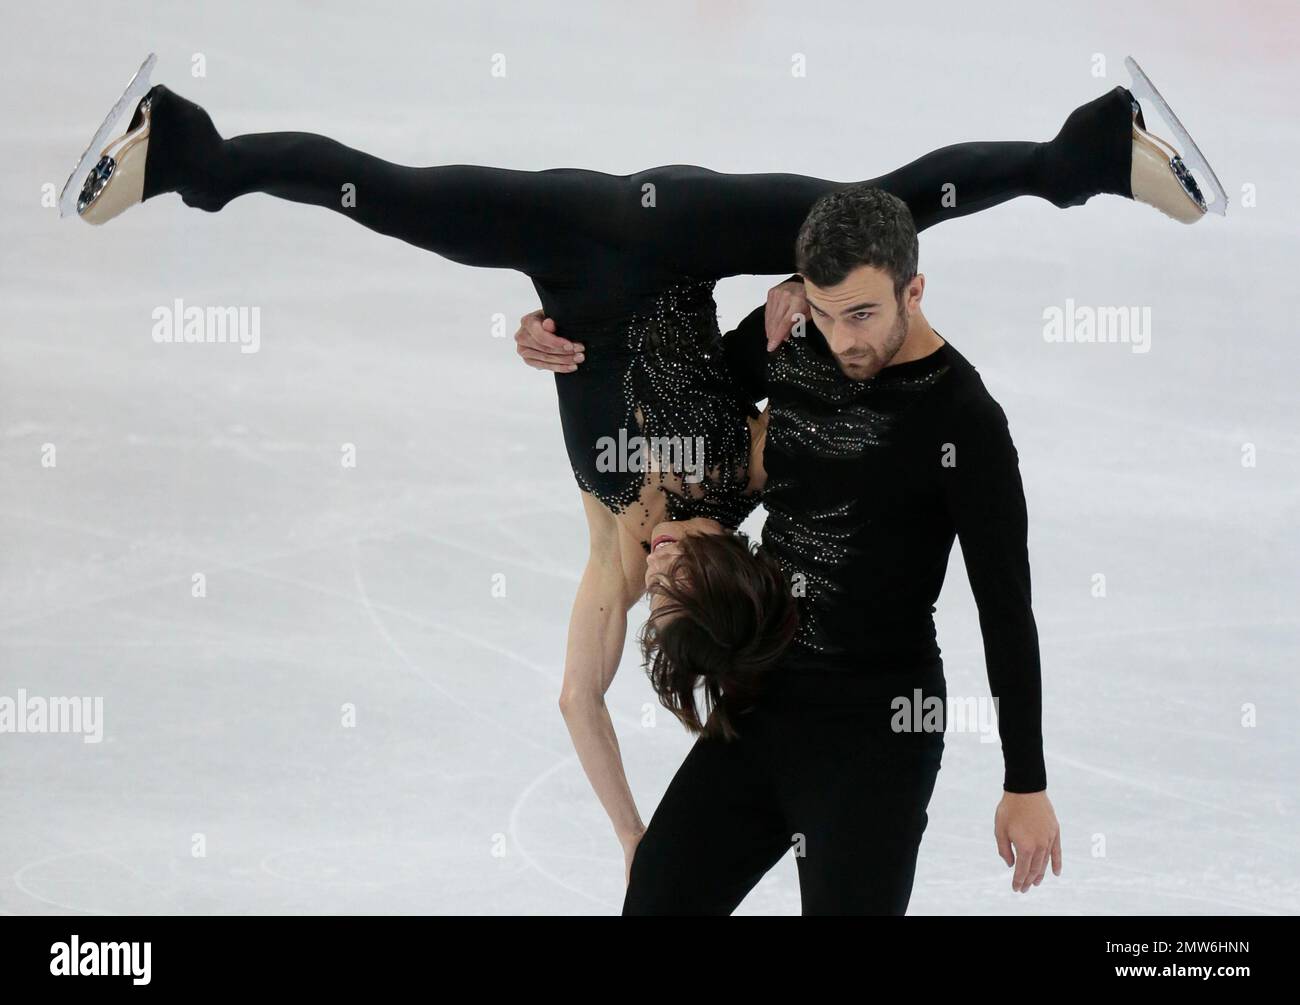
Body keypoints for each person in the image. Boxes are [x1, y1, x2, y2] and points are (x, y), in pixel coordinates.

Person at [67, 54, 1218, 886]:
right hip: (678, 238)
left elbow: (579, 699)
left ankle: (192, 154)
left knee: (395, 197)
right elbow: (741, 364)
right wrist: (771, 338)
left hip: (572, 247)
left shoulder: (610, 570)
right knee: (868, 215)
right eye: (685, 567)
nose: (662, 558)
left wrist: (631, 841)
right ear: (735, 560)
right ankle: (1088, 151)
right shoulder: (753, 479)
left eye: (657, 575)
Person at [521, 186, 1058, 913]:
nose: (844, 341)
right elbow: (673, 386)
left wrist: (1025, 780)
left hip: (877, 728)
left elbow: (1005, 606)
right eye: (828, 312)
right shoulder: (793, 343)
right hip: (763, 702)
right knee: (655, 899)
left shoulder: (964, 420)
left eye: (864, 314)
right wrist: (561, 345)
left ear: (915, 289)